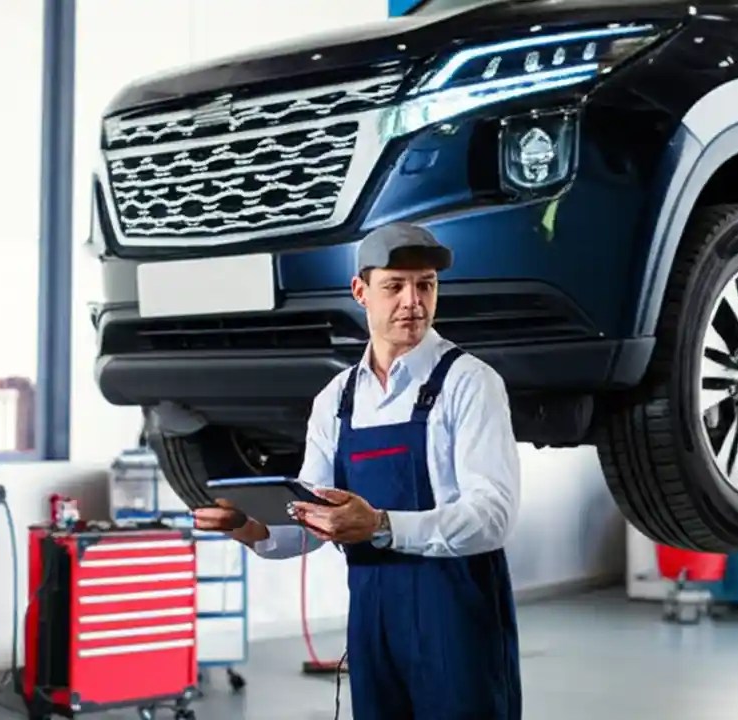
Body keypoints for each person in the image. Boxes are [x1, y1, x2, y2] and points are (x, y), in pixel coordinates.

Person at [194, 222, 522, 719]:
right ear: (361, 291)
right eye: (394, 286)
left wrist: (382, 524)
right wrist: (248, 526)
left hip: (456, 616)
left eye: (426, 284)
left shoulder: (470, 384)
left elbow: (493, 516)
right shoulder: (337, 401)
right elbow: (312, 521)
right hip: (372, 620)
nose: (413, 301)